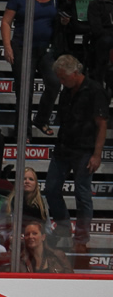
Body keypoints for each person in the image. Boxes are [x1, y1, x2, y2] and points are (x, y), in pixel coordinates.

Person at [45, 55, 108, 255]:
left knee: (82, 194)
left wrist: (97, 154)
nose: (61, 82)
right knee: (51, 188)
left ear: (75, 73)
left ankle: (81, 238)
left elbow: (102, 124)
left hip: (84, 149)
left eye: (63, 78)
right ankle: (63, 226)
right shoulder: (66, 91)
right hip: (64, 146)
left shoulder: (95, 90)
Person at [1, 0, 62, 137]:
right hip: (22, 47)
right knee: (24, 90)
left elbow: (55, 22)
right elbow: (6, 22)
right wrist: (7, 47)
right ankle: (22, 130)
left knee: (54, 82)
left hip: (44, 49)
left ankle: (41, 120)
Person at [0, 167, 48, 247]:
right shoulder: (8, 203)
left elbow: (47, 228)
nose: (27, 181)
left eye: (31, 179)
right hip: (14, 244)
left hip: (37, 244)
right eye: (24, 179)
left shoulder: (41, 204)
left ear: (36, 184)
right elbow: (1, 228)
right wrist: (9, 236)